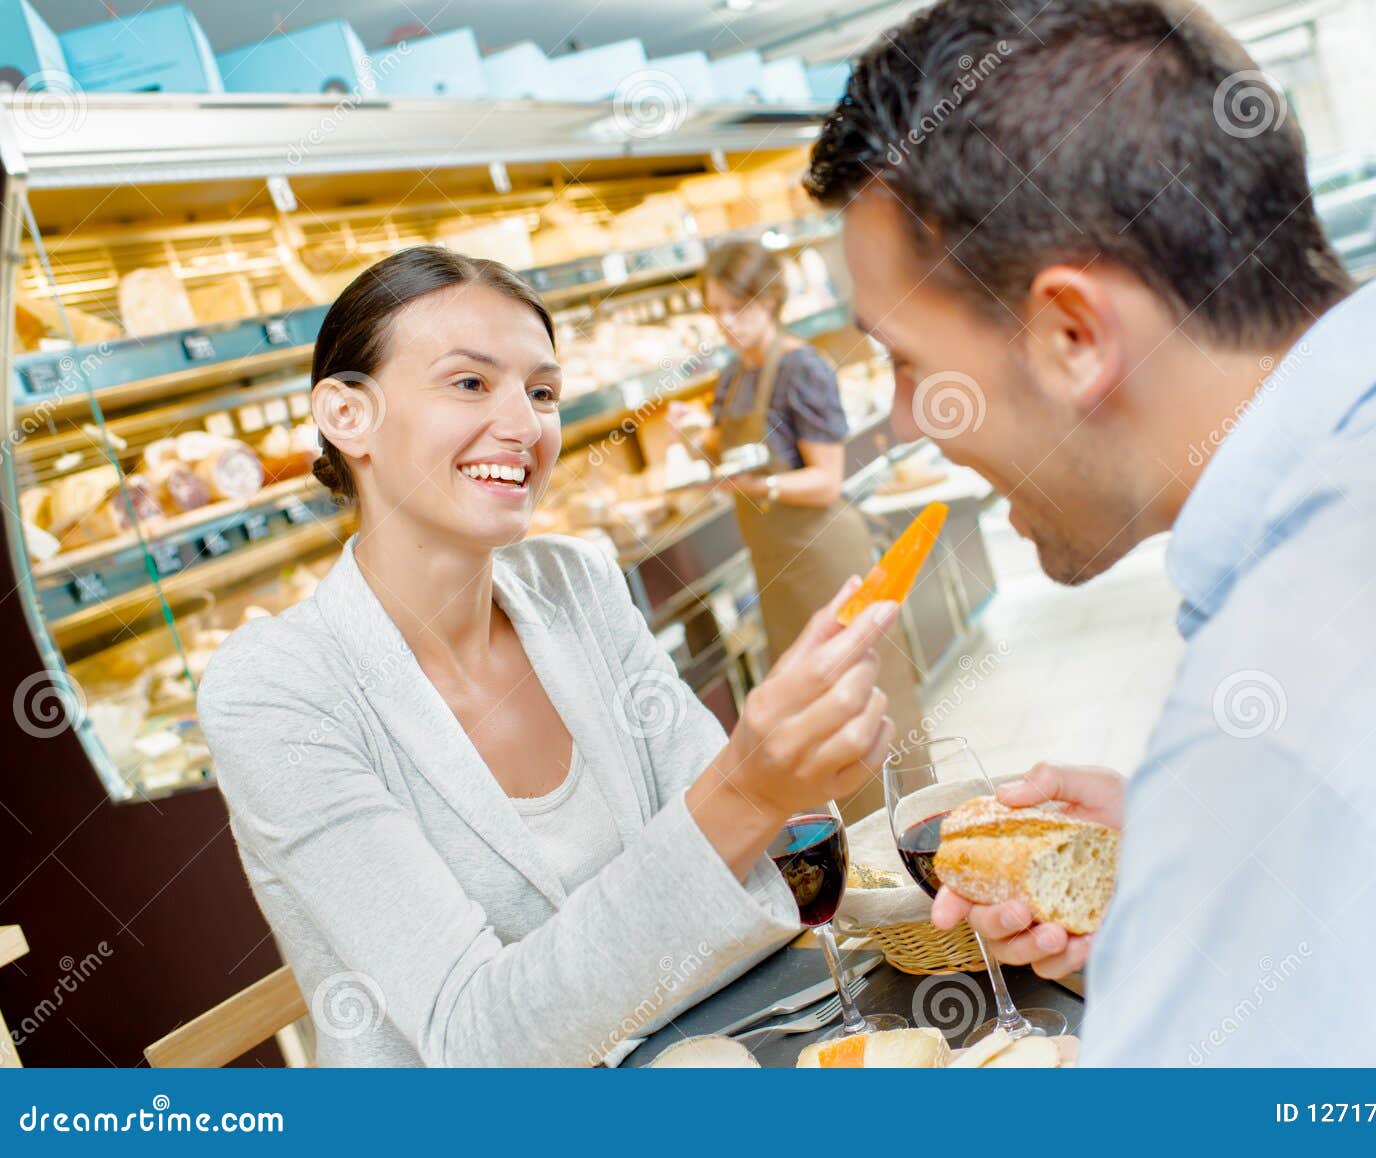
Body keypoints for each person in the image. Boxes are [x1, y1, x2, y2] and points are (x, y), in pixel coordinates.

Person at [804, 0, 1376, 1064]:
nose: (907, 421)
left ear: (1073, 335)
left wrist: (1216, 880)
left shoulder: (1272, 749)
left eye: (904, 360)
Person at [197, 247, 901, 1066]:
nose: (526, 426)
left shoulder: (576, 584)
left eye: (541, 392)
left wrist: (763, 806)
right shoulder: (276, 693)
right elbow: (477, 1049)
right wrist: (745, 791)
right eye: (469, 383)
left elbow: (756, 890)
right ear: (348, 416)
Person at [667, 239, 922, 823]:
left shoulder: (801, 367)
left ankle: (906, 827)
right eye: (716, 312)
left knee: (865, 696)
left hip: (827, 555)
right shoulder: (732, 379)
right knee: (813, 708)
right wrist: (694, 438)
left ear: (771, 299)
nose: (728, 325)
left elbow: (826, 479)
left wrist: (762, 490)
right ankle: (852, 845)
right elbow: (732, 457)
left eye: (739, 308)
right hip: (777, 567)